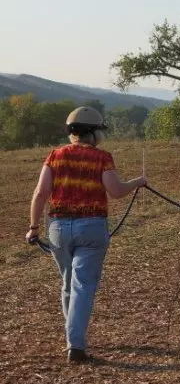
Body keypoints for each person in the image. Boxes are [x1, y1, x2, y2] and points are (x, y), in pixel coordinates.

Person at [25, 106, 146, 363]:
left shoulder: (54, 156)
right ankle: (76, 346)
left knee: (68, 283)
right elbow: (115, 191)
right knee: (82, 285)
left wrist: (34, 227)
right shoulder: (102, 157)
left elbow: (40, 193)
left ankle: (73, 339)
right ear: (92, 133)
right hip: (91, 227)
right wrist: (137, 182)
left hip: (58, 227)